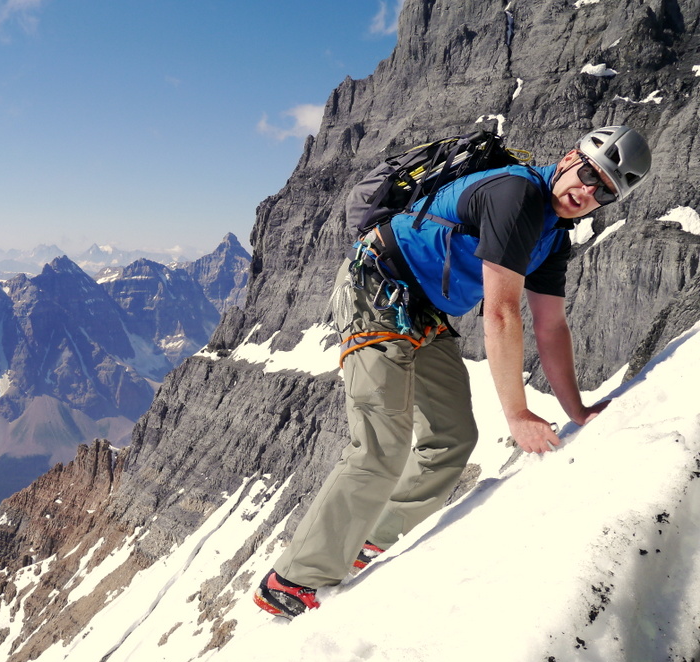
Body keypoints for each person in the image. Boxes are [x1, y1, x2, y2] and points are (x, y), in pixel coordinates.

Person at [253, 125, 653, 618]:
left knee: (452, 439)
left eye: (605, 192)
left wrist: (579, 410)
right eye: (591, 174)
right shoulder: (517, 195)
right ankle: (291, 581)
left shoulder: (553, 237)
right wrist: (518, 415)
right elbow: (501, 314)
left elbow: (551, 327)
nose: (588, 192)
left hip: (422, 311)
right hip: (376, 288)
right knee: (381, 445)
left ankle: (366, 541)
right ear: (571, 157)